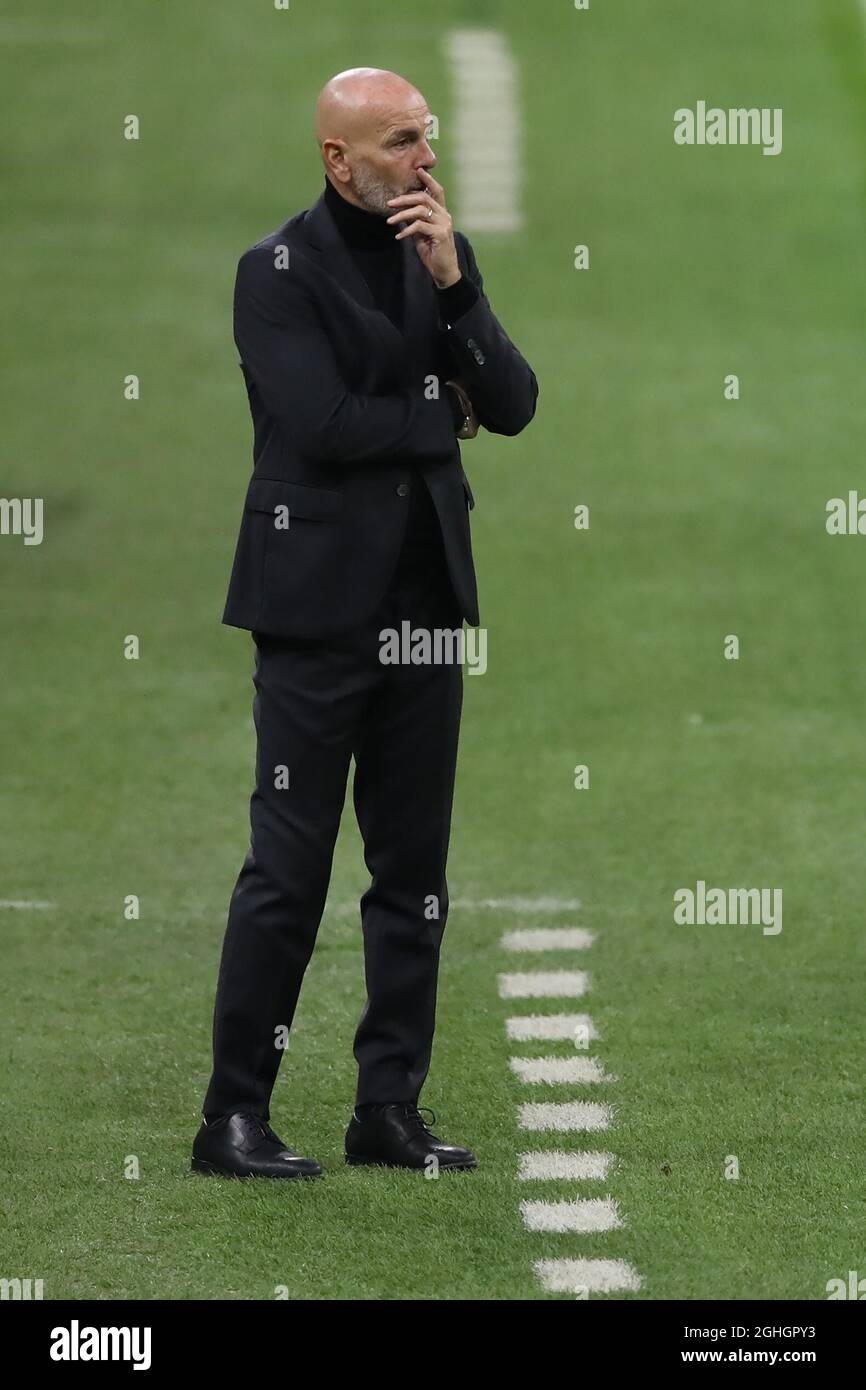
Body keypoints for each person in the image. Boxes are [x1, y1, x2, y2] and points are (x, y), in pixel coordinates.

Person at [192, 66, 538, 1180]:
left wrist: (455, 293)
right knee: (285, 874)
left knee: (412, 874)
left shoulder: (433, 253)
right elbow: (324, 423)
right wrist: (442, 408)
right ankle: (231, 1116)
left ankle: (385, 1106)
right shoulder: (274, 271)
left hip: (425, 609)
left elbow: (518, 403)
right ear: (338, 160)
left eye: (425, 138)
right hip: (314, 618)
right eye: (399, 143)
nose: (424, 160)